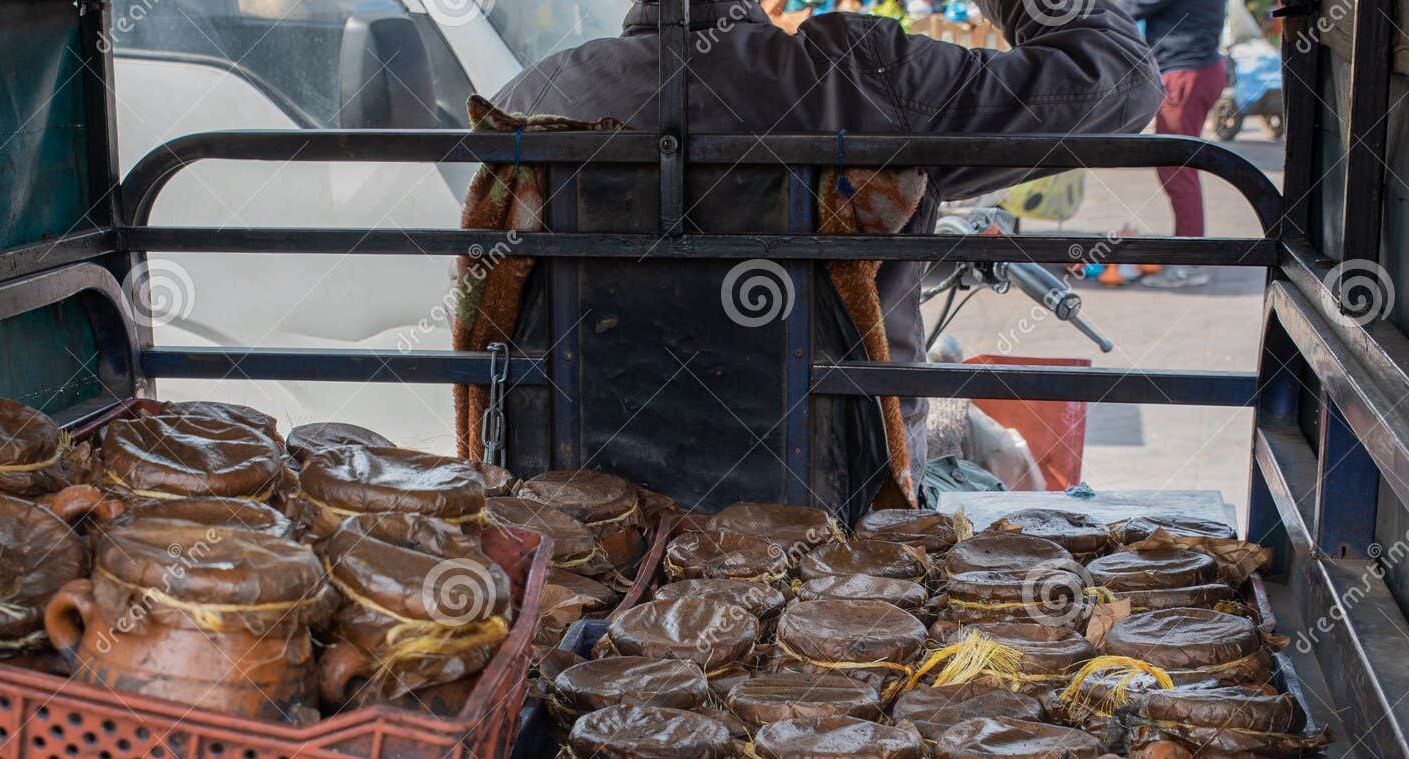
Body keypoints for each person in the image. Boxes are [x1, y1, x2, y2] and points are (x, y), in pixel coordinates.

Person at [493, 0, 1163, 498]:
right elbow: (1120, 81)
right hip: (846, 511)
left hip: (584, 511)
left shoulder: (528, 103)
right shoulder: (868, 78)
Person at [1123, 0, 1230, 289]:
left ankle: (1189, 262)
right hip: (1200, 68)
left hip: (1185, 73)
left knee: (1177, 169)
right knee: (1179, 168)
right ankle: (1190, 255)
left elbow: (1129, 7)